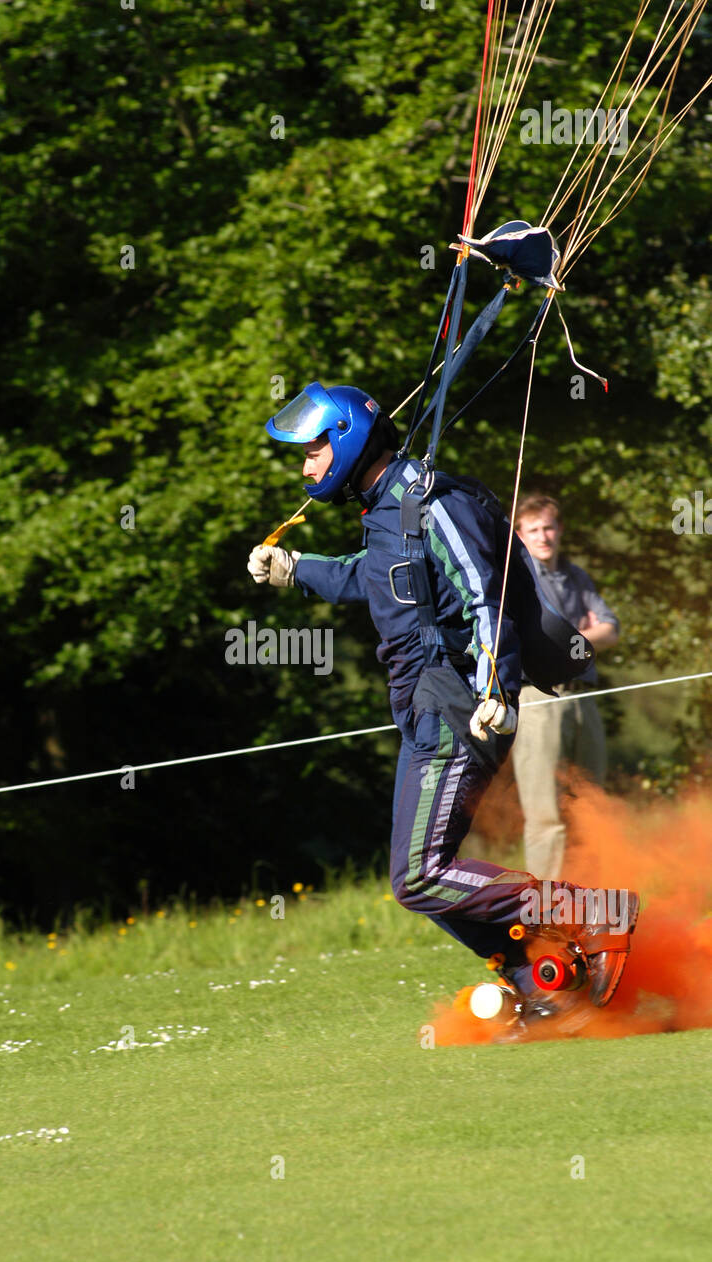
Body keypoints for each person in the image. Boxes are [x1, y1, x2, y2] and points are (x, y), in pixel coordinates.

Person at [248, 381, 638, 1029]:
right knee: (422, 877)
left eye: (313, 449)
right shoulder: (388, 510)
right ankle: (547, 985)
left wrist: (495, 686)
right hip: (426, 707)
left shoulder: (430, 503)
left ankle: (594, 914)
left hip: (461, 705)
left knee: (422, 876)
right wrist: (297, 570)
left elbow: (483, 594)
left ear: (344, 442)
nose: (306, 465)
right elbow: (374, 579)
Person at [511, 494, 619, 880]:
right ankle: (548, 914)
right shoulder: (515, 579)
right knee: (547, 815)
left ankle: (590, 903)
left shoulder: (576, 576)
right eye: (534, 529)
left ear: (560, 530)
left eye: (549, 527)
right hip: (539, 699)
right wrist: (586, 638)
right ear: (520, 535)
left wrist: (569, 639)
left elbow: (611, 628)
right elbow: (533, 641)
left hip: (583, 698)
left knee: (590, 806)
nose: (544, 536)